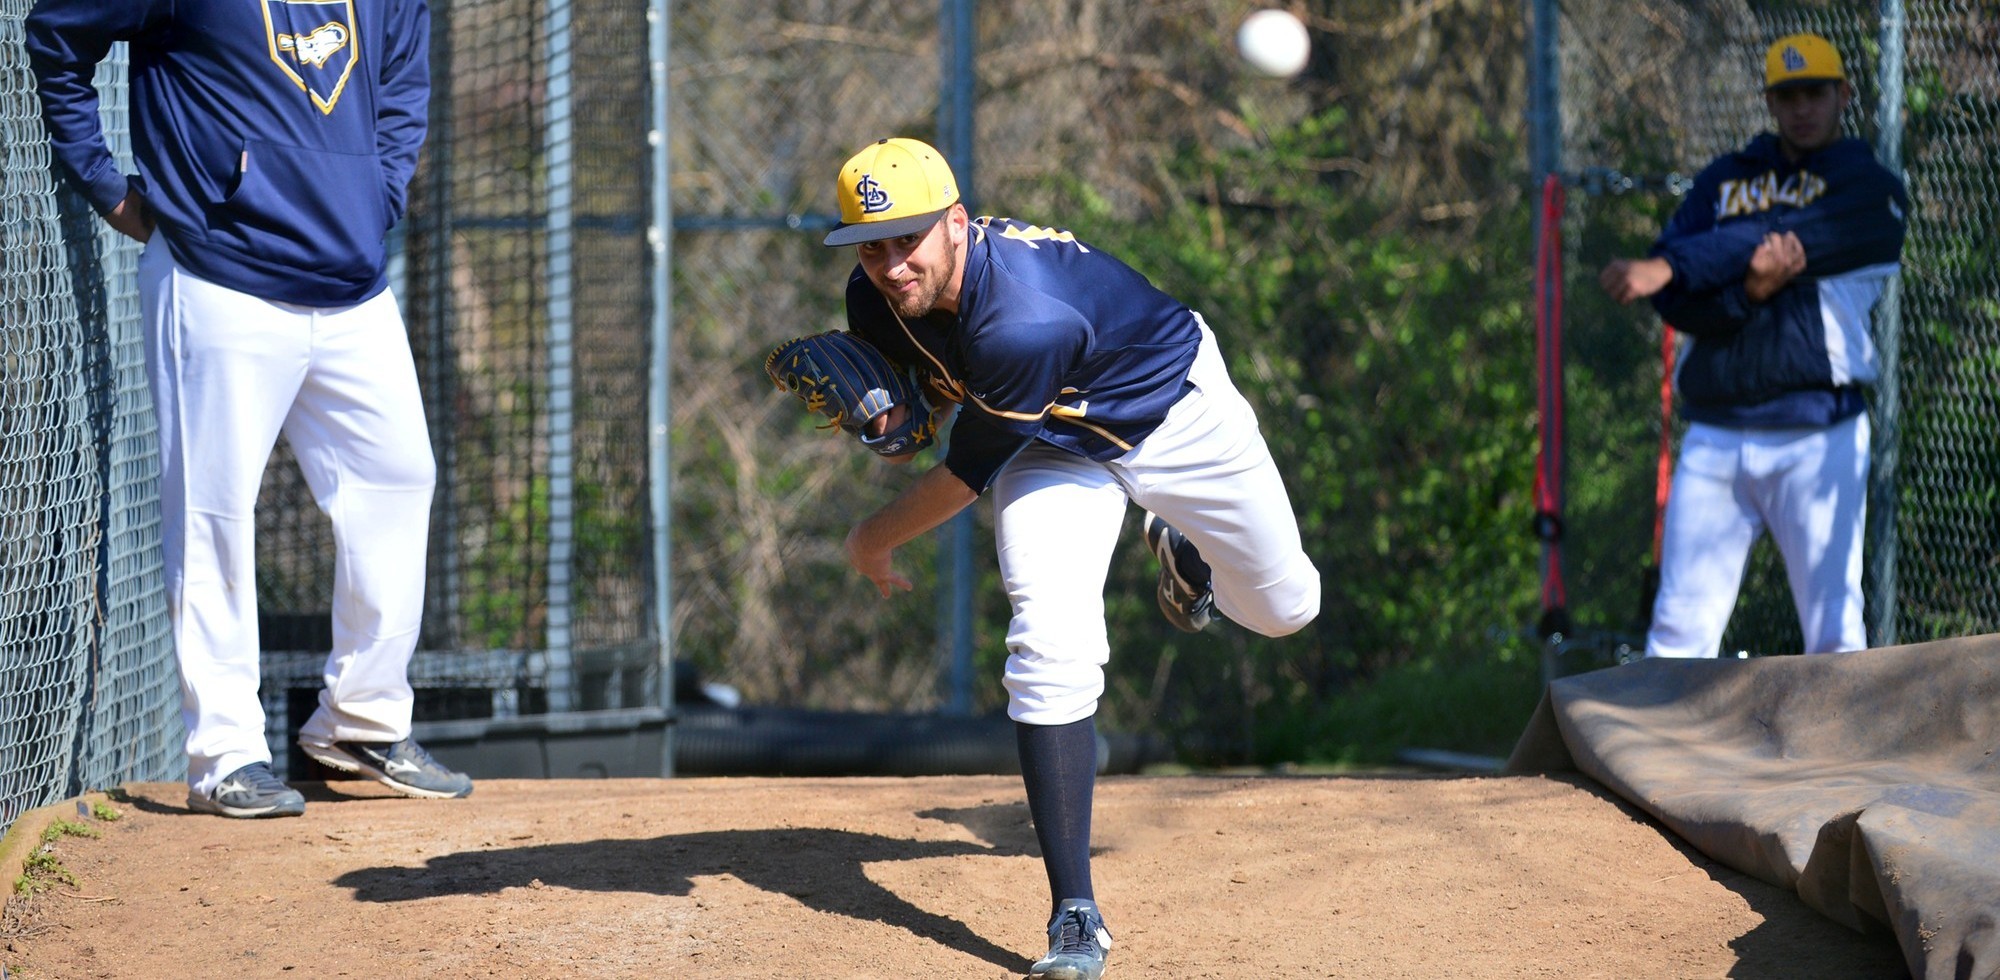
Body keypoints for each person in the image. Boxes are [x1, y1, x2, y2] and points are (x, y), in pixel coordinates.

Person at [823, 137, 1321, 979]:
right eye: (870, 244)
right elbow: (940, 425)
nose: (890, 262)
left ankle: (1183, 546)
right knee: (1048, 643)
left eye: (908, 237)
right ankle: (1075, 915)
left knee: (1286, 609)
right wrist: (893, 427)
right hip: (1052, 447)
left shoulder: (1024, 316)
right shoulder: (875, 300)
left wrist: (872, 536)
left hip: (1173, 415)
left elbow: (962, 475)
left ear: (957, 222)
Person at [27, 0, 472, 817]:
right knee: (212, 513)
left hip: (351, 282)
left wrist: (379, 199)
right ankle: (225, 754)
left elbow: (405, 80)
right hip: (216, 269)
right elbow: (59, 32)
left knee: (399, 479)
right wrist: (102, 181)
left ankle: (362, 718)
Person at [1599, 33, 1908, 659]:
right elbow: (1671, 295)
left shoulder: (1869, 187)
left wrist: (1685, 264)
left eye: (1815, 92)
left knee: (1834, 634)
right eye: (1787, 95)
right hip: (1716, 434)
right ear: (1769, 102)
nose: (1802, 108)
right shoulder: (1724, 180)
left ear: (1842, 94)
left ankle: (1841, 761)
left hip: (1817, 432)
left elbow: (1679, 267)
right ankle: (1656, 758)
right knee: (1679, 629)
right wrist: (1750, 289)